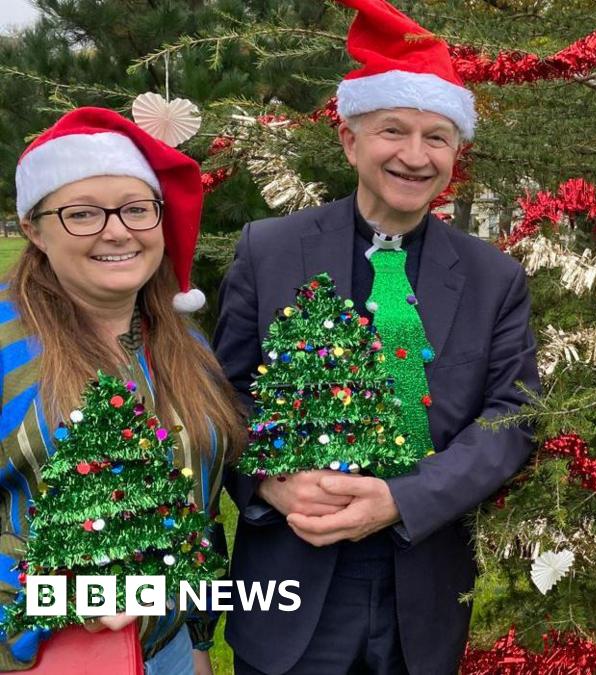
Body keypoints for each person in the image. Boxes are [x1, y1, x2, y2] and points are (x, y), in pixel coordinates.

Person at [211, 1, 538, 673]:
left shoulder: (494, 278)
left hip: (420, 592)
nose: (414, 156)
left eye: (436, 137)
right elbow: (222, 393)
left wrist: (401, 499)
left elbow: (514, 415)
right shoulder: (268, 252)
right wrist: (269, 482)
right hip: (291, 584)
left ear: (455, 153)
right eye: (394, 130)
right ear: (350, 139)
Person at [0, 107, 244, 673]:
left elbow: (199, 508)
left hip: (171, 652)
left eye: (137, 209)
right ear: (33, 228)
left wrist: (200, 642)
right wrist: (56, 586)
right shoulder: (7, 345)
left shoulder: (185, 343)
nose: (117, 231)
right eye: (82, 213)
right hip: (41, 658)